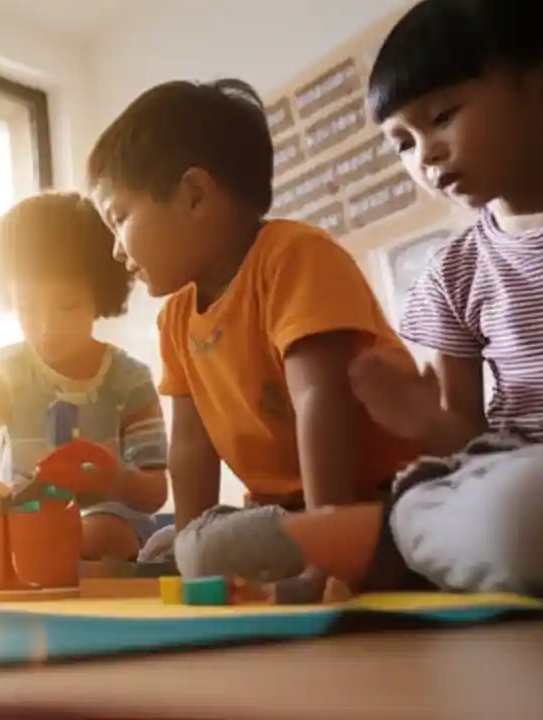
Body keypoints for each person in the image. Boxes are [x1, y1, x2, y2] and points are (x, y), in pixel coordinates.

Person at [230, 0, 543, 599]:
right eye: (402, 144)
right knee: (452, 502)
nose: (426, 156)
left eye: (442, 116)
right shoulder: (455, 272)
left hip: (540, 499)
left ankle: (396, 552)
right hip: (523, 482)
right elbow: (463, 444)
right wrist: (424, 418)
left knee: (531, 508)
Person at [86, 79, 419, 581]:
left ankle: (372, 554)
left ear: (196, 195)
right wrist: (186, 554)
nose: (115, 250)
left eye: (119, 219)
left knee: (203, 550)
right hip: (286, 511)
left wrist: (327, 554)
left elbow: (320, 399)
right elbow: (191, 446)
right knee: (170, 545)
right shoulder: (175, 318)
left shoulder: (295, 256)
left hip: (375, 498)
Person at [0, 191, 169, 575]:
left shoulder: (130, 379)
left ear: (100, 296)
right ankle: (44, 560)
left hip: (102, 517)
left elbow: (154, 492)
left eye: (68, 307)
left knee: (106, 534)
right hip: (20, 513)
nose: (46, 329)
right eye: (27, 308)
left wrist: (114, 477)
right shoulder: (4, 370)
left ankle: (46, 560)